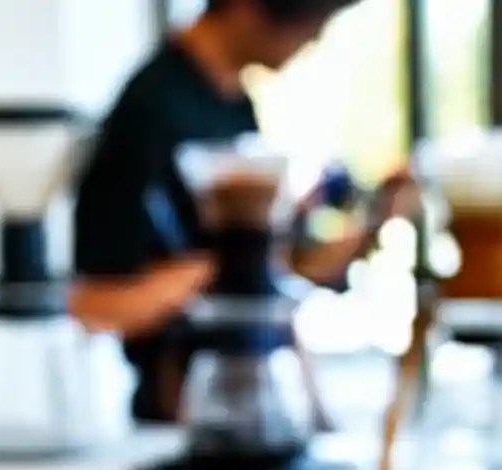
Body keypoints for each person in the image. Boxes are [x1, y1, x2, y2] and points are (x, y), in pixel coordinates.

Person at [71, 0, 363, 422]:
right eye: (310, 22)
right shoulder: (149, 111)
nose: (315, 39)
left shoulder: (236, 105)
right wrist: (228, 267)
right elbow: (94, 303)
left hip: (254, 402)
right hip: (180, 413)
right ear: (245, 8)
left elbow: (267, 269)